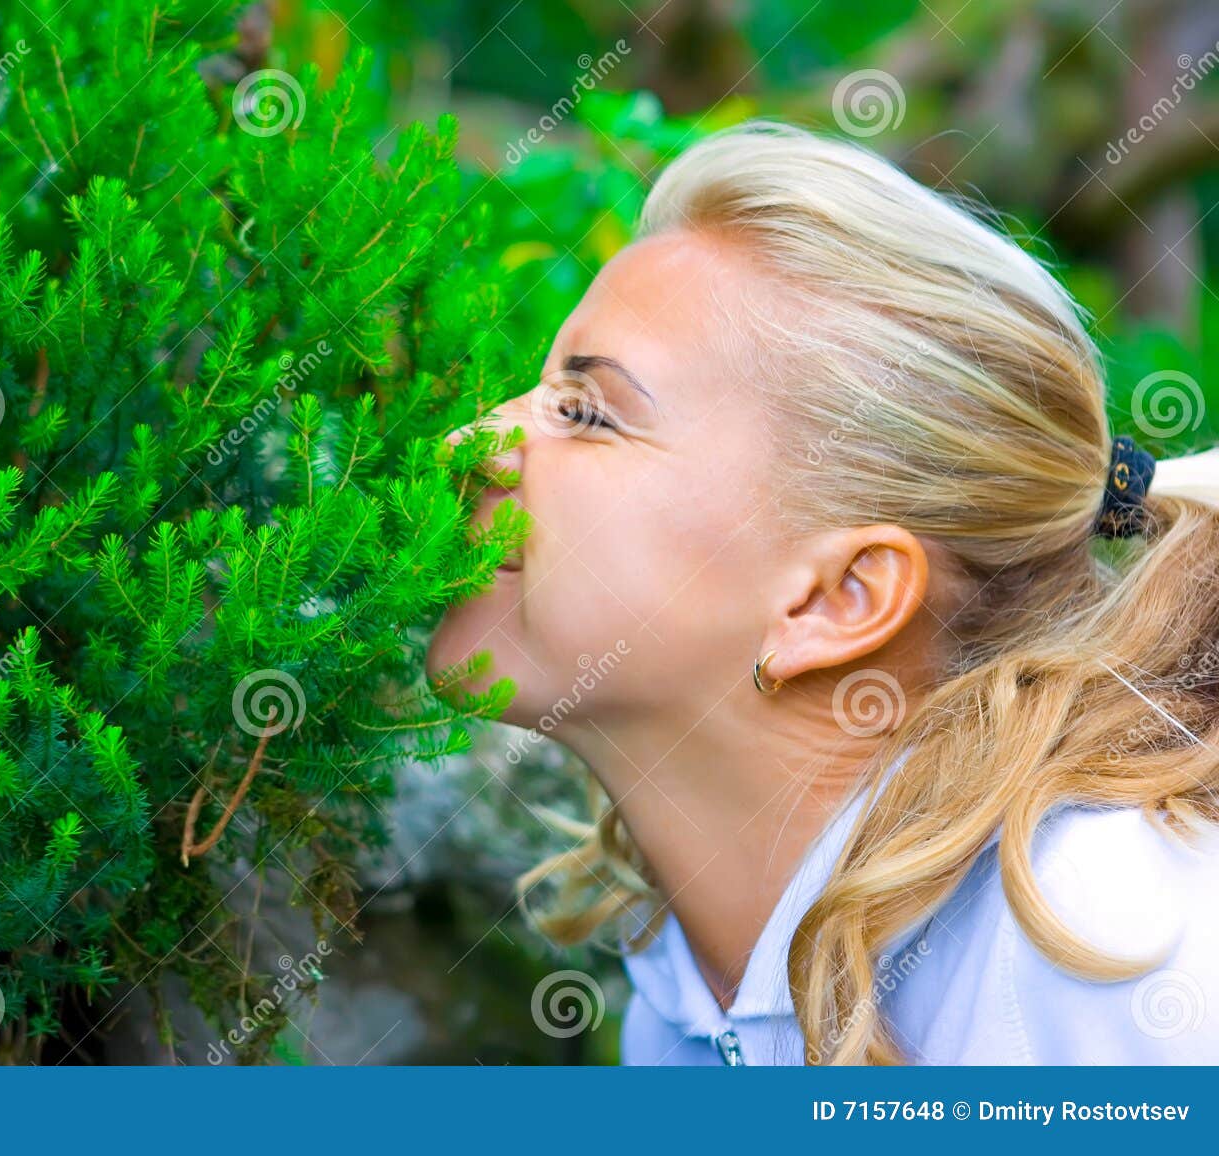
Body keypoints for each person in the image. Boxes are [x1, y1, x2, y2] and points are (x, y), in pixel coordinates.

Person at [426, 120, 1219, 1065]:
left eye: (588, 413)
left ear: (839, 599)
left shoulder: (1119, 951)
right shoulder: (678, 1004)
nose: (469, 445)